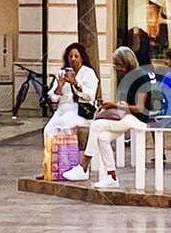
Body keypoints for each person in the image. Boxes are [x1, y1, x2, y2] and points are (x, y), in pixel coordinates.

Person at [62, 47, 157, 187]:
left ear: (126, 63)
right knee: (102, 138)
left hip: (138, 118)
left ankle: (83, 167)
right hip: (129, 116)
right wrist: (113, 106)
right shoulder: (130, 77)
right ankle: (111, 177)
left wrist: (115, 105)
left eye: (117, 64)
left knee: (96, 125)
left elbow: (140, 108)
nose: (116, 68)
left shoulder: (140, 78)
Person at [43, 43, 99, 146]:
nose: (73, 59)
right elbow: (53, 98)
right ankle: (53, 160)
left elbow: (90, 96)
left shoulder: (88, 73)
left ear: (82, 58)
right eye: (70, 56)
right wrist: (59, 87)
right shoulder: (62, 73)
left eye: (76, 56)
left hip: (80, 110)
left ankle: (69, 158)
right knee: (48, 130)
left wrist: (75, 83)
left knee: (64, 123)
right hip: (62, 110)